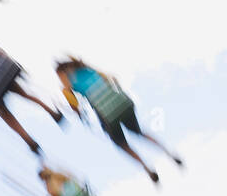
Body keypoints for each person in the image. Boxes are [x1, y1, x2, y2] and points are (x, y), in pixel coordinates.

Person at [54, 57, 183, 184]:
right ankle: (168, 152)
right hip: (121, 102)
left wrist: (66, 103)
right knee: (139, 132)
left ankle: (147, 168)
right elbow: (112, 79)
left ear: (63, 73)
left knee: (121, 143)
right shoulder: (89, 70)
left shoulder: (69, 85)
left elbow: (76, 108)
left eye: (60, 77)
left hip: (106, 112)